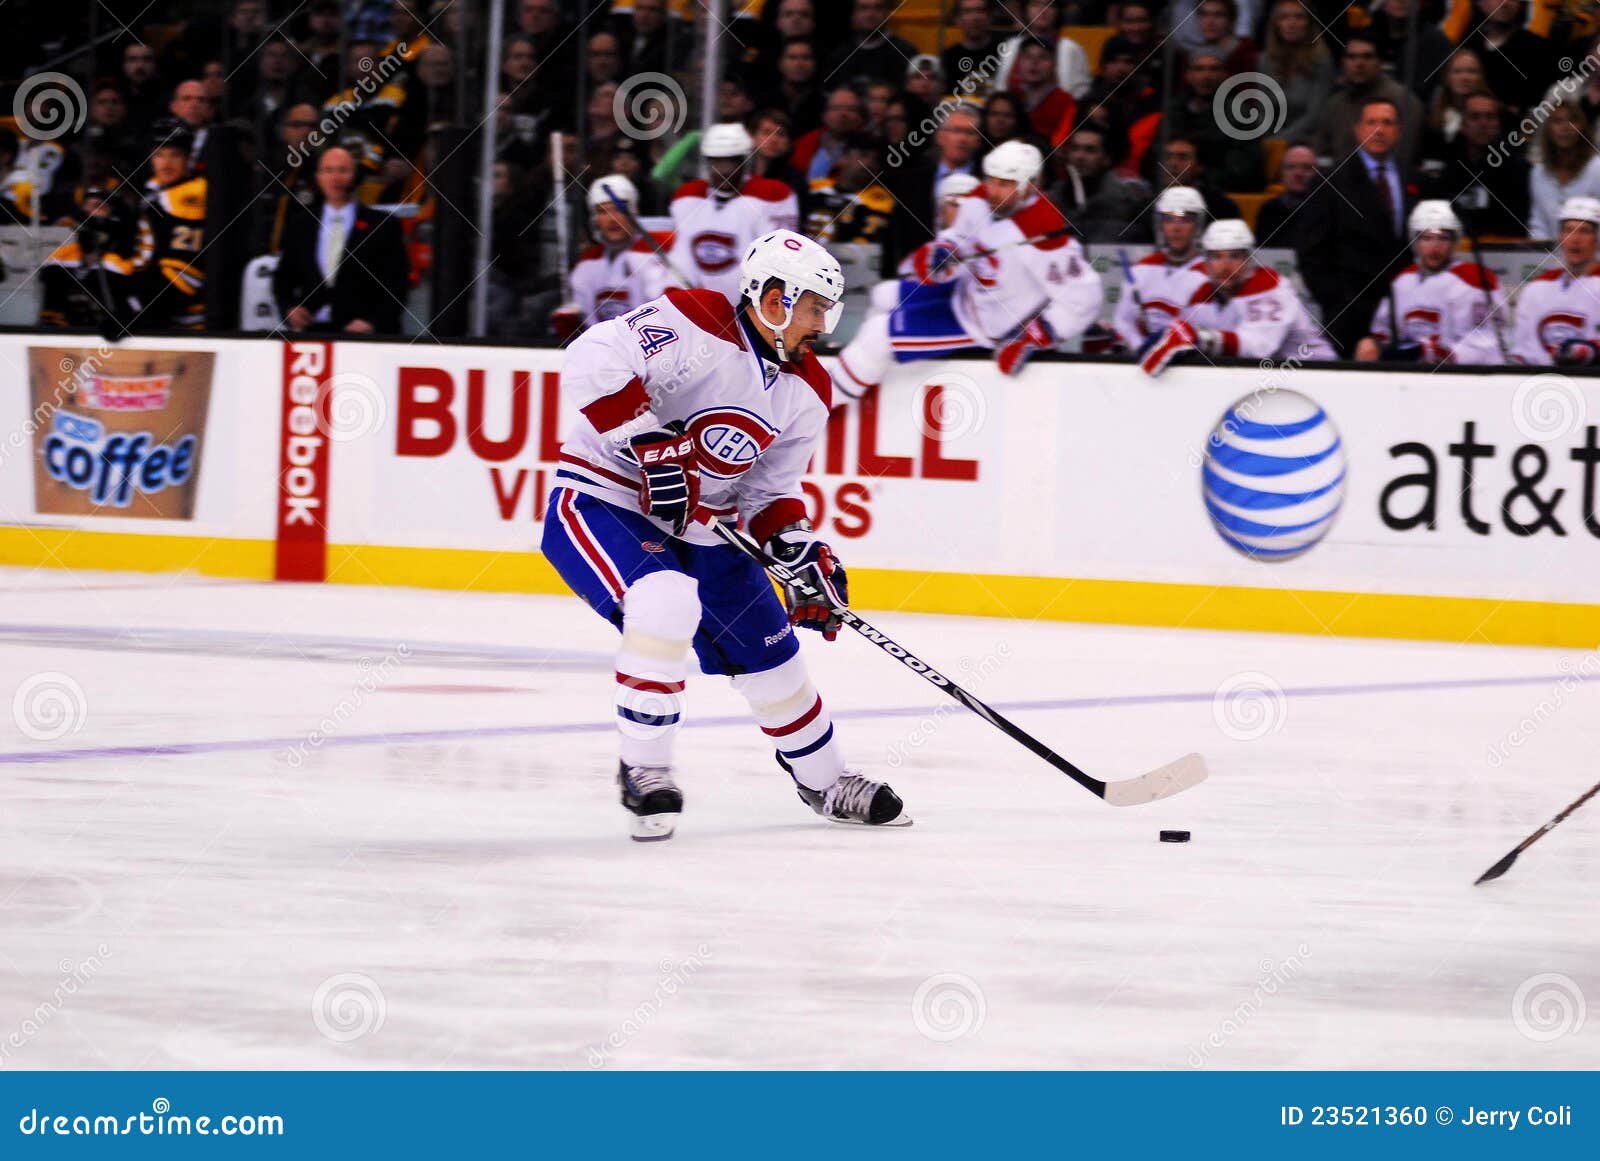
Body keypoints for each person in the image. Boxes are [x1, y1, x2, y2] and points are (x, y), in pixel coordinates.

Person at [545, 229, 907, 838]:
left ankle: (825, 781)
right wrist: (646, 442)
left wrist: (797, 548)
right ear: (773, 301)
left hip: (707, 527)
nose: (823, 324)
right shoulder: (695, 320)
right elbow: (589, 357)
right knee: (665, 598)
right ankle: (646, 771)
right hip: (607, 497)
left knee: (776, 664)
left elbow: (769, 491)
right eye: (816, 307)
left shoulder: (809, 388)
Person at [834, 140, 1103, 392]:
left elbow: (1082, 297)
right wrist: (943, 252)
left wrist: (1032, 336)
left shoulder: (1044, 234)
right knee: (884, 294)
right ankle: (871, 376)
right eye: (991, 180)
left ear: (1031, 185)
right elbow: (960, 236)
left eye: (1006, 184)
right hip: (964, 293)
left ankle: (828, 403)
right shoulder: (981, 196)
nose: (994, 191)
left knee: (878, 334)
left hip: (985, 327)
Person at [1297, 98, 1417, 356]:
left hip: (1405, 314)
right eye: (1371, 122)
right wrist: (1336, 304)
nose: (1379, 130)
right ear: (1358, 130)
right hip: (1349, 318)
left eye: (1388, 123)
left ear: (1399, 131)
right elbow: (1311, 253)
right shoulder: (1331, 181)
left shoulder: (1414, 178)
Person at [1140, 219, 1335, 374]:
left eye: (1234, 256)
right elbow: (1180, 340)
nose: (1225, 266)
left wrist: (1202, 339)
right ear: (1206, 262)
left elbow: (1258, 347)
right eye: (1217, 257)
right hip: (1266, 384)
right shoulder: (1200, 296)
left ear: (1249, 260)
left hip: (1318, 376)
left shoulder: (1268, 286)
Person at [273, 145, 410, 333]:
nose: (335, 178)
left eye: (343, 170)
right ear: (318, 177)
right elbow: (284, 277)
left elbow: (397, 283)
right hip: (313, 333)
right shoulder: (301, 224)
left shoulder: (383, 225)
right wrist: (289, 309)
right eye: (328, 170)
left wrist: (373, 322)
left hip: (366, 336)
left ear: (354, 175)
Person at [1354, 201, 1506, 365]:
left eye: (1443, 238)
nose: (1435, 247)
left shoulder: (1474, 280)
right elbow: (1384, 332)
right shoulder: (1403, 280)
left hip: (1459, 377)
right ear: (1415, 242)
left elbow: (1486, 345)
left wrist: (1427, 352)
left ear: (1455, 241)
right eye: (1426, 238)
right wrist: (1377, 346)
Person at [666, 123, 801, 301]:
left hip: (751, 307)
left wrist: (750, 305)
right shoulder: (687, 197)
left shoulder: (773, 196)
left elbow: (778, 260)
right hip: (699, 308)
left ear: (745, 161)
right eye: (717, 163)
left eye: (731, 163)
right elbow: (682, 256)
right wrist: (681, 295)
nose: (724, 171)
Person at [553, 176, 669, 337]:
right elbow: (587, 324)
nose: (612, 219)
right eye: (602, 211)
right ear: (595, 220)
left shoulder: (655, 254)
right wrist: (573, 325)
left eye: (618, 209)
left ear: (633, 213)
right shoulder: (588, 263)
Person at [131, 121, 208, 330]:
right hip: (151, 305)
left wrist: (139, 308)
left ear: (188, 159)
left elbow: (188, 271)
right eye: (159, 154)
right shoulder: (151, 192)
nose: (166, 162)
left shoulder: (195, 192)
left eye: (174, 155)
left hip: (184, 316)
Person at [1112, 186, 1209, 350]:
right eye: (1169, 219)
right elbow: (1123, 321)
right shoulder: (1142, 268)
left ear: (1198, 225)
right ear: (1160, 224)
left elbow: (1206, 331)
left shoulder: (1210, 275)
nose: (1176, 228)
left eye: (1185, 220)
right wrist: (1141, 348)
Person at [1423, 92, 1529, 237]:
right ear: (1463, 125)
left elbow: (1519, 221)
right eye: (1475, 117)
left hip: (1501, 249)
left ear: (1497, 124)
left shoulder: (1516, 166)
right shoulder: (1448, 163)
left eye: (1489, 117)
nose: (1483, 124)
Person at [1312, 32, 1424, 170]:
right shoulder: (1334, 104)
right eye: (1352, 57)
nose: (1359, 63)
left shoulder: (1404, 101)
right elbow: (1320, 153)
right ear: (1343, 63)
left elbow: (1405, 156)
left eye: (1367, 56)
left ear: (1380, 62)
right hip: (1340, 183)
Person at [1511, 196, 1600, 365]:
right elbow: (1523, 350)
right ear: (1560, 237)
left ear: (1598, 238)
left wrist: (1590, 352)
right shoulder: (1536, 288)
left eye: (1584, 231)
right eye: (1568, 230)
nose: (1575, 239)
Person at [1259, 0, 1333, 143]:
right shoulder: (1265, 61)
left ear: (1309, 23)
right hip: (1270, 140)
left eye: (1298, 17)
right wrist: (1265, 140)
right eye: (1284, 17)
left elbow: (1314, 116)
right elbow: (1262, 110)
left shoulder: (1322, 62)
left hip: (1308, 139)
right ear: (1276, 24)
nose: (1291, 24)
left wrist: (1278, 141)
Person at [1252, 141, 1317, 248]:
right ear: (1282, 173)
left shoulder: (1328, 210)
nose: (1298, 173)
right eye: (1291, 167)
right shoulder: (1268, 210)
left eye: (1306, 168)